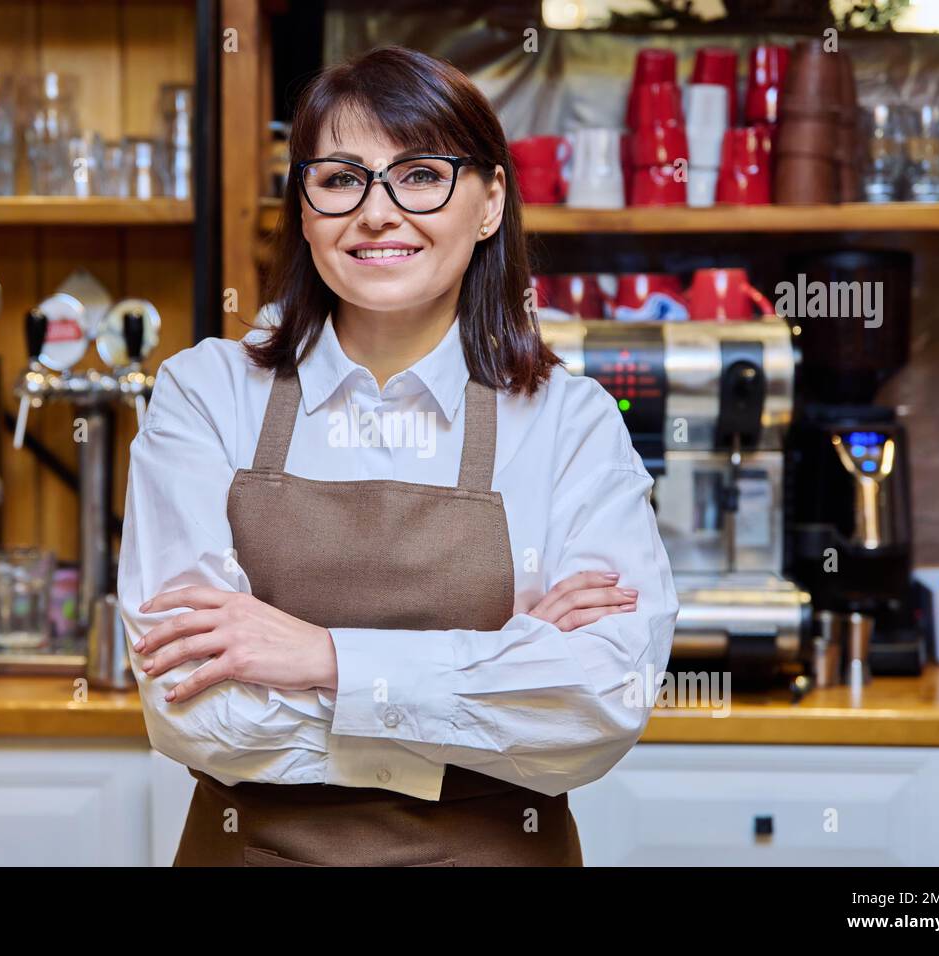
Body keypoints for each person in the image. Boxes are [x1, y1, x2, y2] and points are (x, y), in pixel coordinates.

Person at [118, 45, 678, 867]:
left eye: (420, 175)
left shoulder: (568, 420)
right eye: (341, 178)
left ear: (489, 202)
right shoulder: (206, 394)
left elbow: (598, 709)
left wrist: (322, 658)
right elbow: (194, 713)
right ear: (304, 208)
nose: (376, 212)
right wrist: (504, 669)